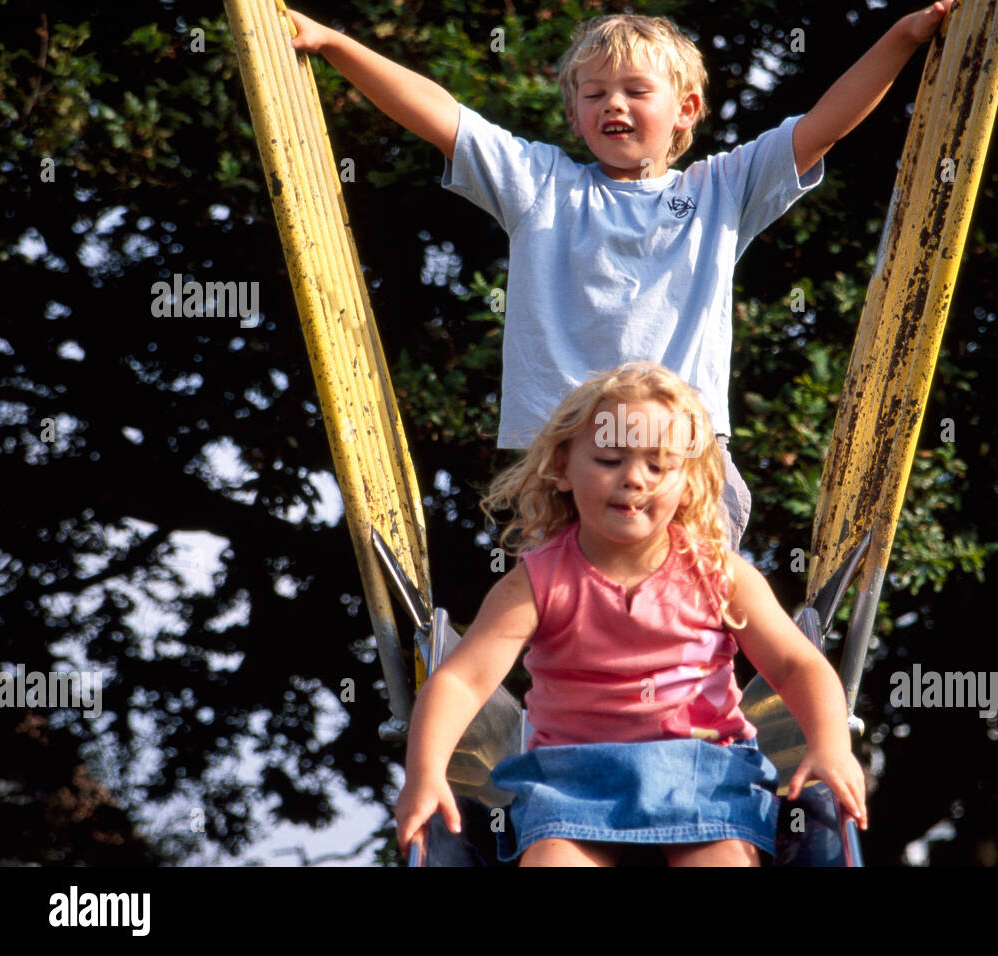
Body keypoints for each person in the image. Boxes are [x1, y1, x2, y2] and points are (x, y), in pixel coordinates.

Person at [285, 4, 953, 547]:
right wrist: (332, 43)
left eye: (636, 90)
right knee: (567, 611)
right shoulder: (542, 185)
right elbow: (441, 116)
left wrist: (903, 36)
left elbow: (824, 125)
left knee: (688, 604)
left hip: (682, 445)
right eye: (595, 93)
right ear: (575, 116)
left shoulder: (720, 190)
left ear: (685, 109)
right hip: (565, 450)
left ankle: (700, 665)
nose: (614, 104)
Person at [393, 362, 867, 866]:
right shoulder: (535, 583)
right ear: (561, 467)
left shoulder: (719, 574)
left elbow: (797, 665)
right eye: (608, 459)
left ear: (688, 483)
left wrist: (831, 745)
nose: (634, 479)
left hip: (701, 771)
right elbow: (462, 681)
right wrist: (425, 773)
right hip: (573, 780)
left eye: (658, 467)